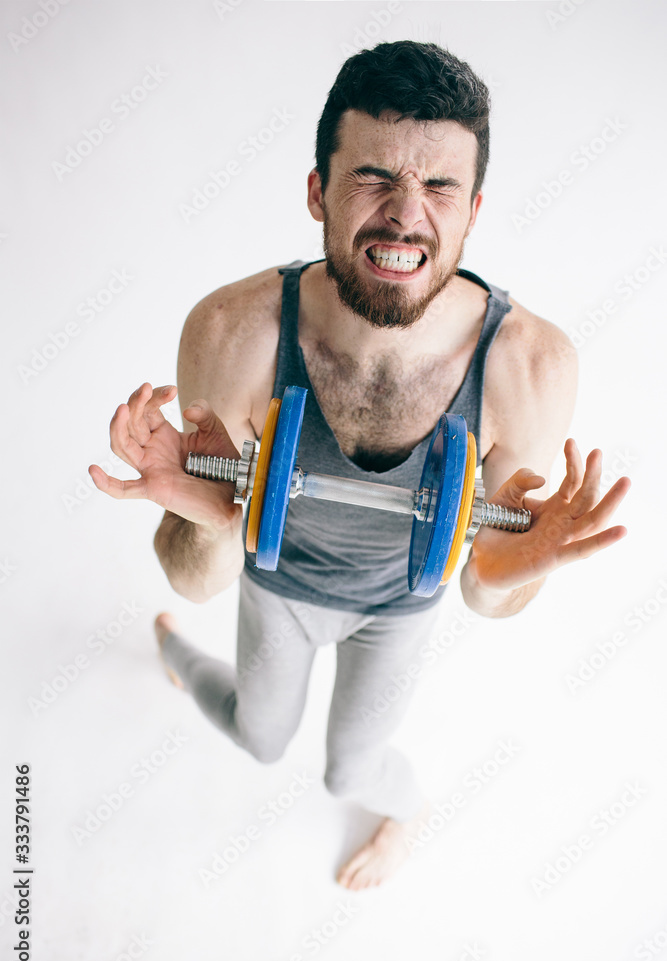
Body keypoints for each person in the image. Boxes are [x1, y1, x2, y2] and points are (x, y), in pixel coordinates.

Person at [89, 41, 630, 891]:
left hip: (399, 608)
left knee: (351, 772)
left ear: (473, 210)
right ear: (317, 191)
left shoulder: (530, 365)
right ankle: (179, 658)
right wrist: (208, 515)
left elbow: (487, 593)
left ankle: (404, 811)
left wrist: (511, 573)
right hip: (278, 589)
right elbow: (193, 577)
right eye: (373, 176)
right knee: (261, 738)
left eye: (439, 186)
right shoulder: (234, 334)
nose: (405, 214)